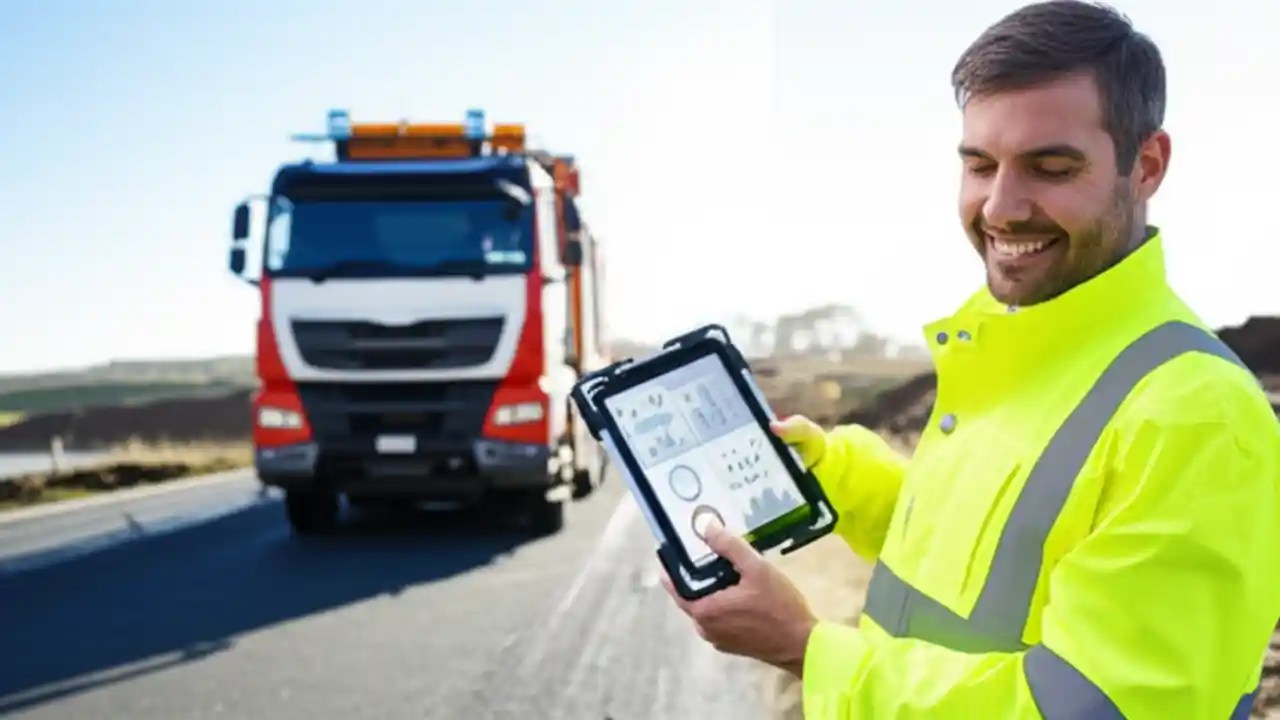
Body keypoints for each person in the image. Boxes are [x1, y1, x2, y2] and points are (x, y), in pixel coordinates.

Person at [659, 1, 1280, 717]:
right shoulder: (1021, 341)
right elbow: (986, 556)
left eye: (1051, 168)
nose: (1000, 208)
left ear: (1145, 166)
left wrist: (805, 649)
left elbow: (1093, 709)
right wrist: (830, 473)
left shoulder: (1198, 417)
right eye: (980, 165)